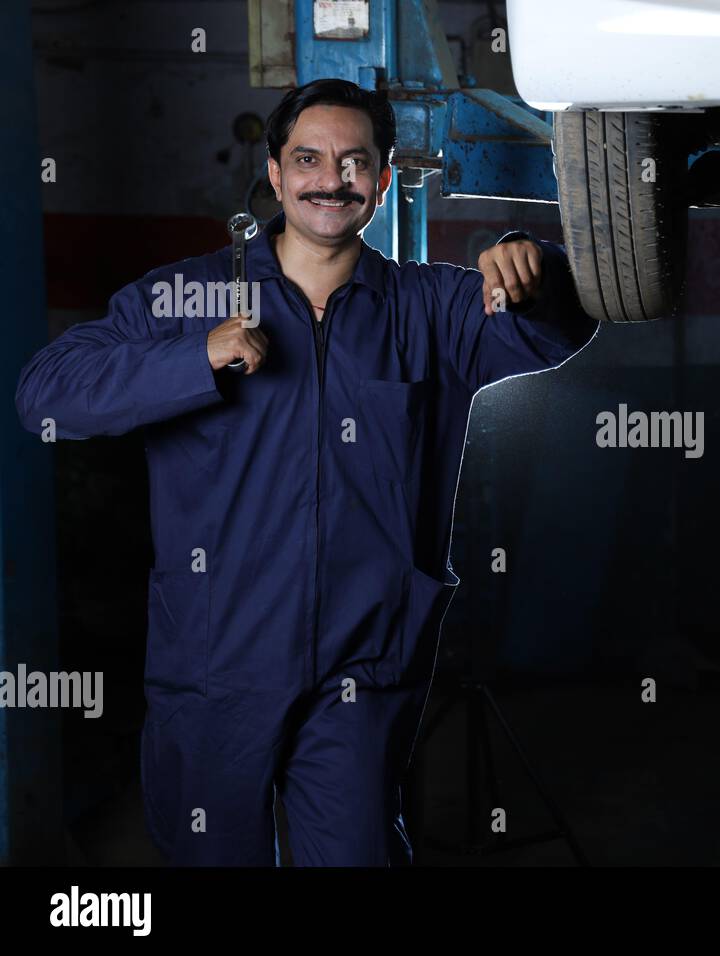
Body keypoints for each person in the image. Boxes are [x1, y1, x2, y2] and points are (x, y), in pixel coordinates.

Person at [14, 77, 599, 865]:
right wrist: (195, 356)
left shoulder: (434, 310)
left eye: (355, 163)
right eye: (310, 159)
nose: (332, 180)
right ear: (277, 171)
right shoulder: (188, 298)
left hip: (365, 659)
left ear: (384, 179)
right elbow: (44, 394)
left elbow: (555, 331)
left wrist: (540, 271)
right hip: (218, 659)